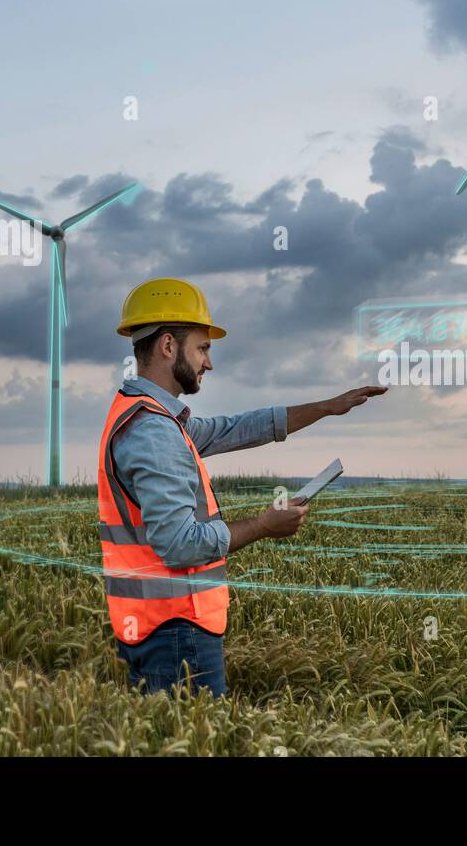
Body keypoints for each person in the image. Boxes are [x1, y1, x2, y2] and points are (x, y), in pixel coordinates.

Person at [98, 277, 385, 697]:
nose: (208, 363)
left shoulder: (144, 416)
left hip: (154, 625)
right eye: (203, 348)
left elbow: (232, 429)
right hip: (177, 629)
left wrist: (325, 408)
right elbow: (179, 545)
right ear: (167, 346)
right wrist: (265, 526)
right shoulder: (154, 432)